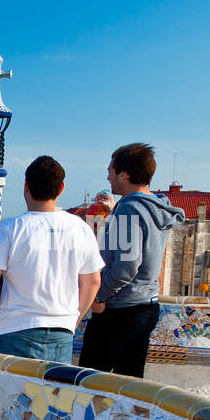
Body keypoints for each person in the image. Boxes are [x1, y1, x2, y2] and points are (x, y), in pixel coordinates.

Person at [0, 156, 104, 363]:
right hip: (62, 332)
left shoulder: (9, 229)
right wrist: (73, 318)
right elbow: (93, 281)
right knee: (54, 394)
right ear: (61, 189)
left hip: (13, 330)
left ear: (26, 186)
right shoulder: (80, 228)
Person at [79, 143, 184, 378]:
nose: (108, 177)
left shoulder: (129, 209)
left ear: (124, 174)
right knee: (130, 384)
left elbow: (127, 265)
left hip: (121, 310)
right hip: (146, 304)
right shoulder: (155, 206)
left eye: (111, 171)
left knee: (88, 382)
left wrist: (99, 296)